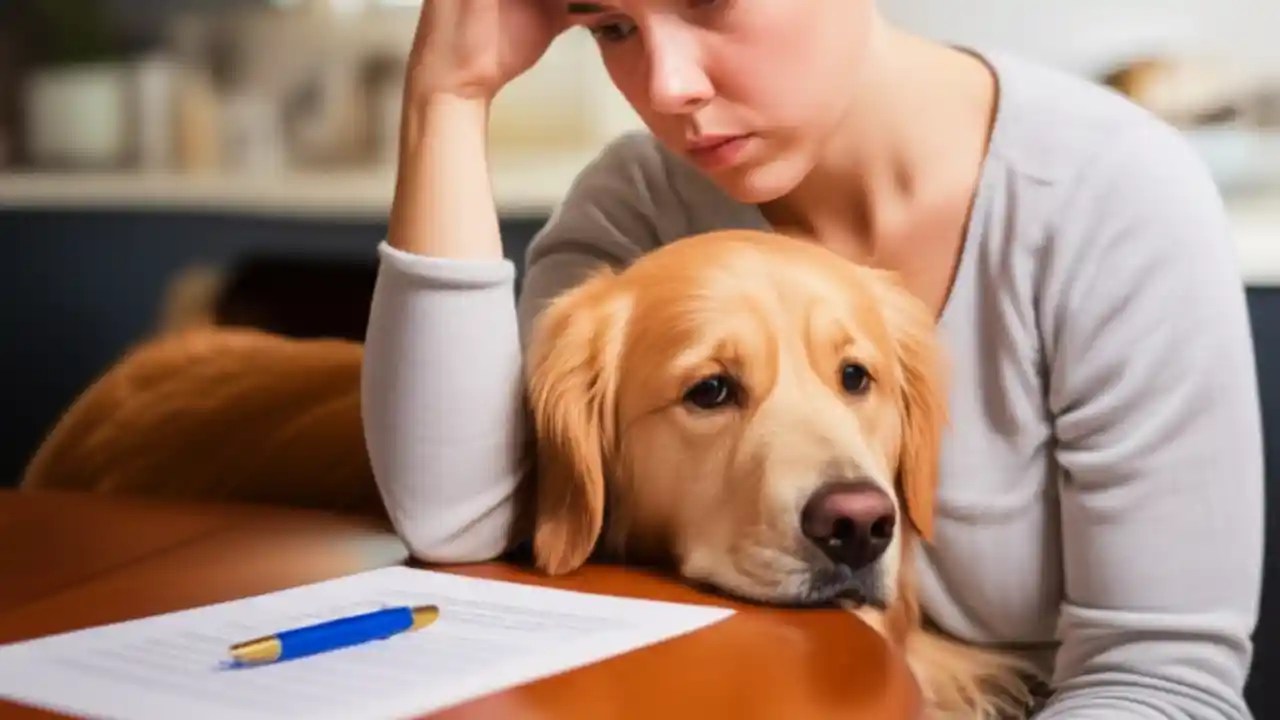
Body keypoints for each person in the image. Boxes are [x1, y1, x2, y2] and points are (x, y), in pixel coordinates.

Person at [360, 0, 1265, 716]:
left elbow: (1163, 684)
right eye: (613, 25)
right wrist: (448, 93)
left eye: (709, 0)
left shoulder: (1113, 201)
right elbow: (467, 520)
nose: (667, 83)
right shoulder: (635, 210)